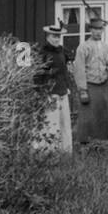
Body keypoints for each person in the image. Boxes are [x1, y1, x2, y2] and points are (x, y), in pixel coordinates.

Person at [73, 16, 108, 142]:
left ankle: (102, 141)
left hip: (103, 86)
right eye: (95, 29)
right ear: (91, 30)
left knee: (103, 113)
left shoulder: (106, 46)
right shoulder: (83, 47)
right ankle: (85, 142)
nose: (98, 32)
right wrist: (83, 90)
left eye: (100, 29)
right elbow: (79, 69)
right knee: (88, 115)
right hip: (89, 86)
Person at [32, 21, 74, 154]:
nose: (56, 39)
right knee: (51, 122)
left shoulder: (62, 52)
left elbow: (65, 71)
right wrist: (42, 90)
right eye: (54, 36)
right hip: (49, 93)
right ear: (47, 37)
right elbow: (37, 74)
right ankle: (48, 152)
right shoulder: (42, 53)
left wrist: (68, 86)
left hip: (62, 91)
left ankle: (65, 151)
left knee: (64, 122)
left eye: (58, 36)